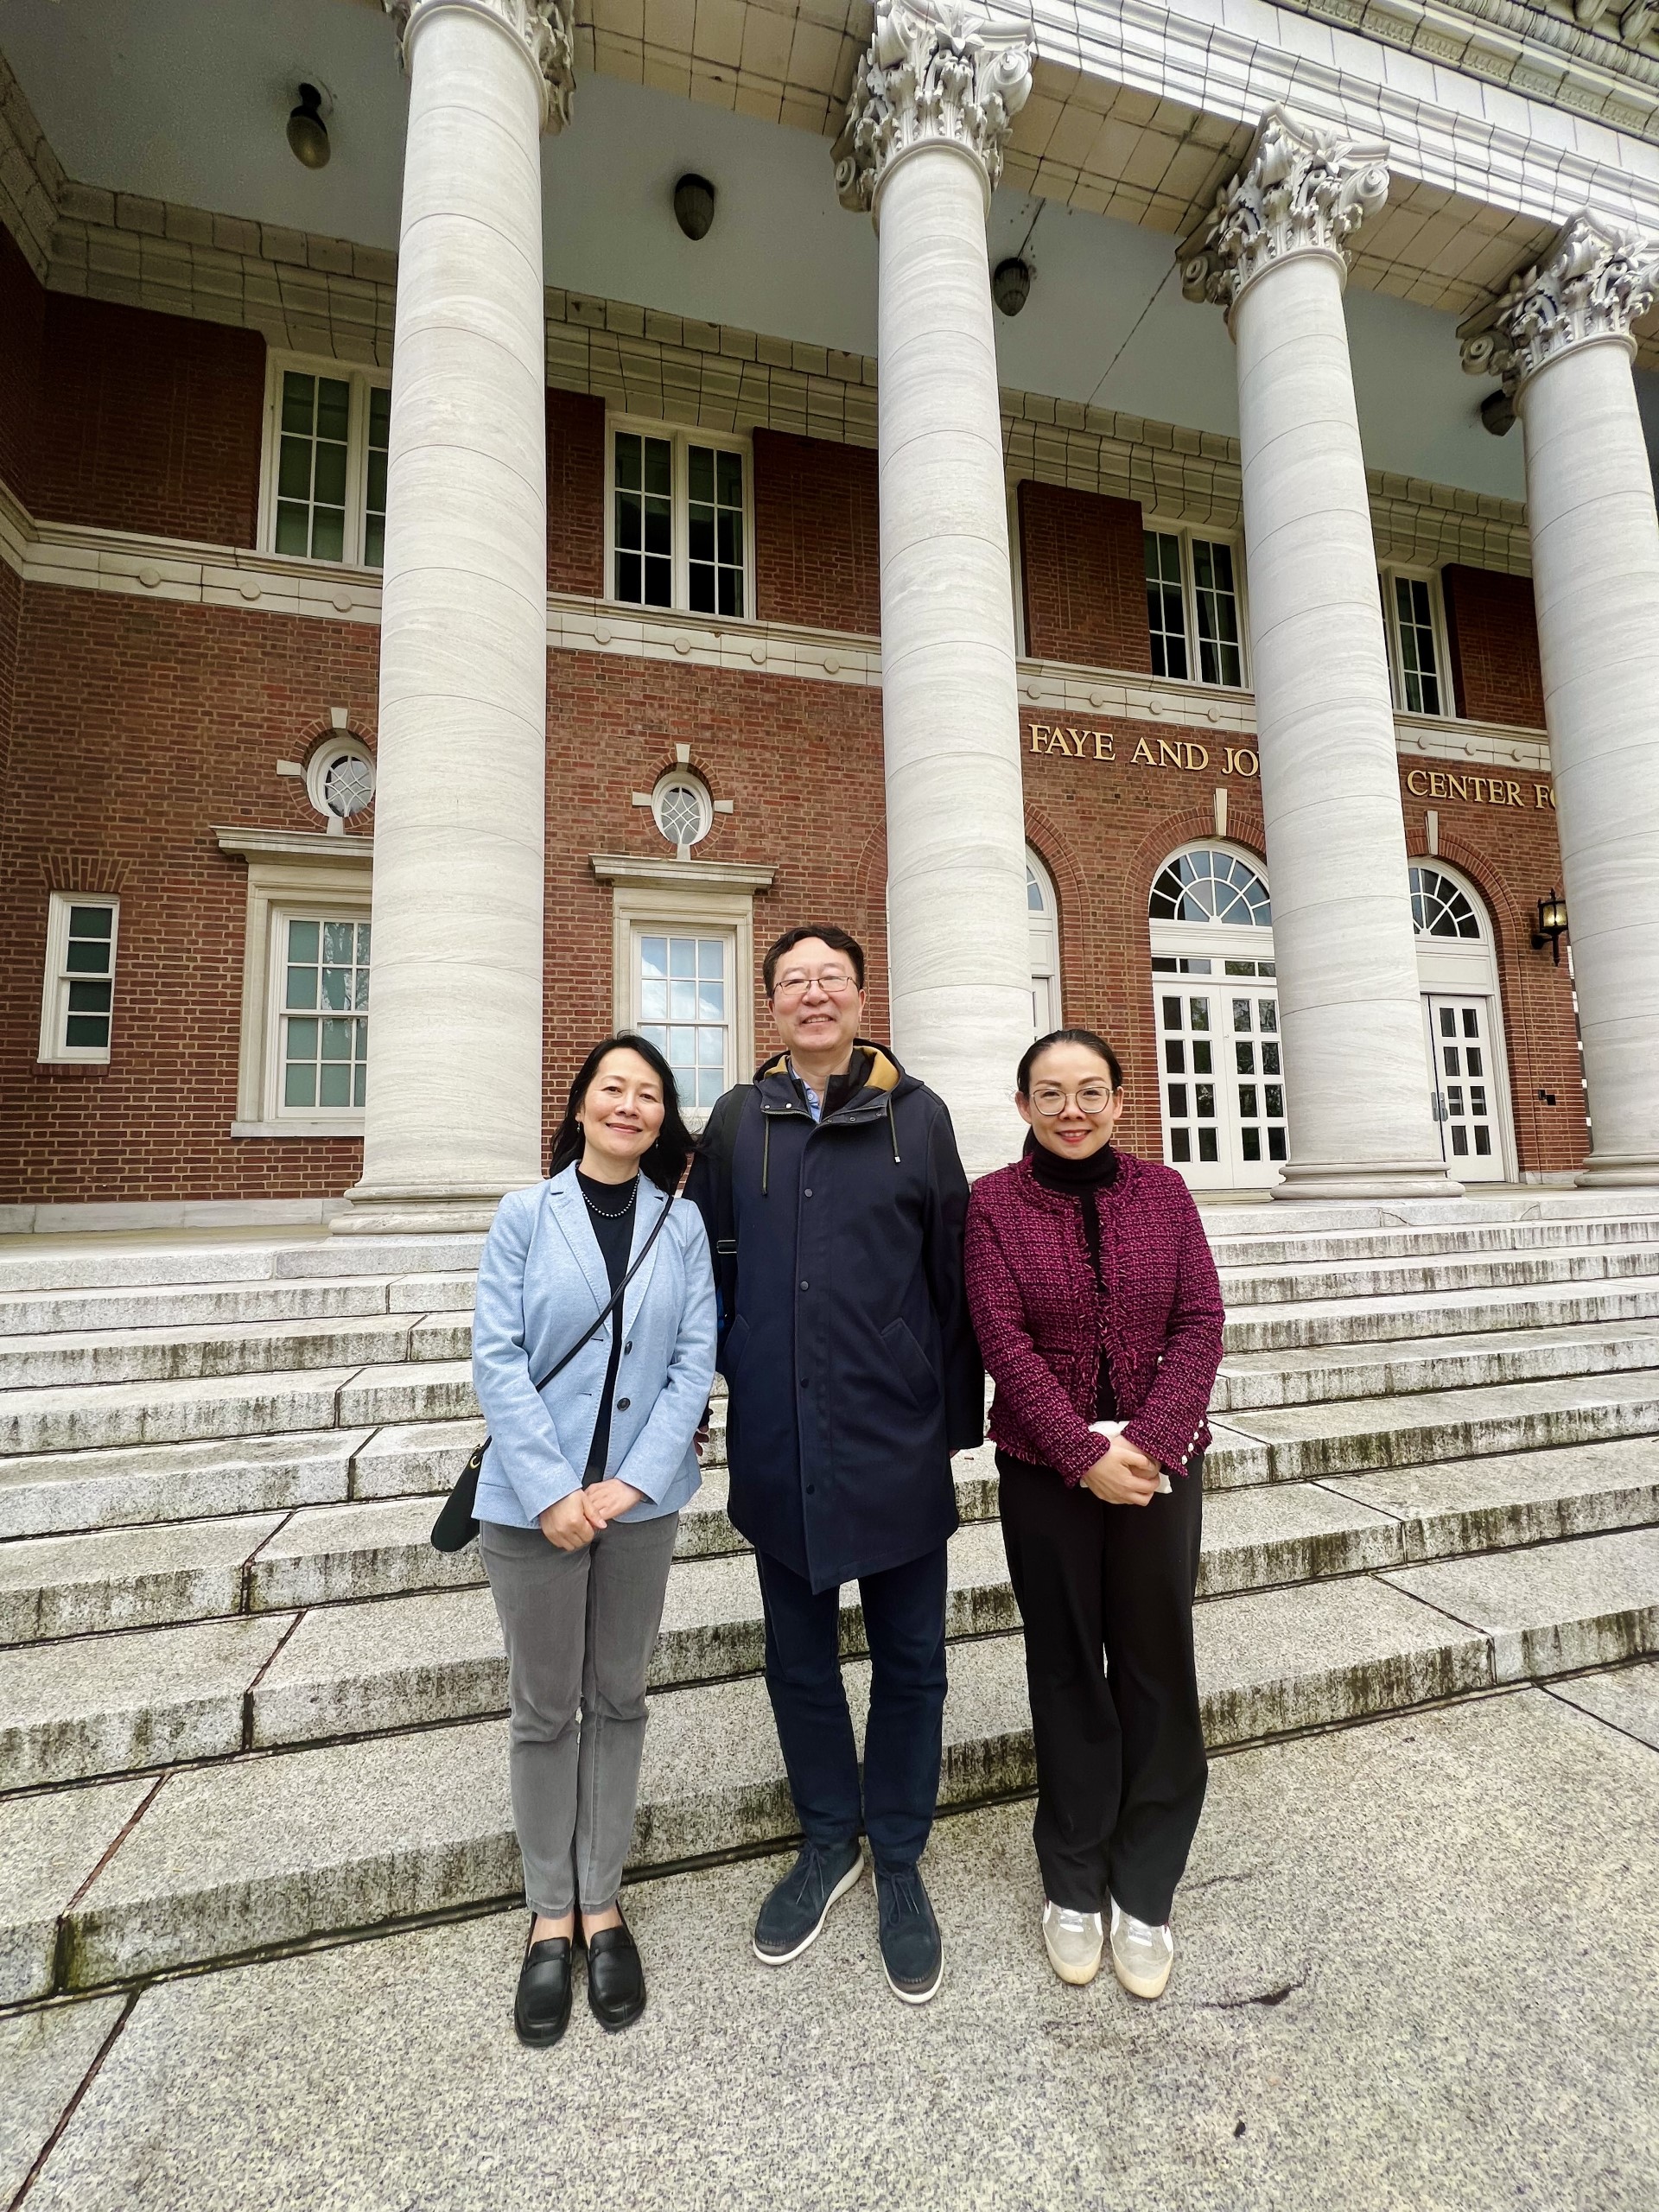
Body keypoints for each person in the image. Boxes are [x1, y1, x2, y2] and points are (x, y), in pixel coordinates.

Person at [686, 927, 982, 2005]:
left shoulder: (919, 1117)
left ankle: (898, 1853)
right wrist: (736, 1371)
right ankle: (828, 1840)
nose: (814, 997)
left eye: (833, 980)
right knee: (798, 1660)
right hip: (778, 1435)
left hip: (894, 1432)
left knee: (913, 1662)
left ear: (862, 998)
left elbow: (952, 1276)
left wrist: (950, 1420)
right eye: (794, 983)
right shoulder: (735, 1121)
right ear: (771, 1008)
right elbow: (704, 1266)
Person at [963, 1027, 1224, 2000]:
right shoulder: (990, 1204)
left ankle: (1146, 1885)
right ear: (1024, 1103)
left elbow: (1201, 1319)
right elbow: (1002, 1336)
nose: (1071, 1109)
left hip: (1163, 1467)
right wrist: (1082, 1454)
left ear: (1120, 1099)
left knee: (1159, 1668)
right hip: (1045, 1471)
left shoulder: (1165, 1194)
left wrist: (1148, 1446)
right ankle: (1073, 1877)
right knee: (1068, 1668)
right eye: (1050, 1092)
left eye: (1090, 1091)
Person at [472, 1033, 715, 2048]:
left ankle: (603, 1900)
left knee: (618, 1698)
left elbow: (696, 1358)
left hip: (640, 1507)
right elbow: (498, 1356)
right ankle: (548, 1913)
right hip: (531, 1509)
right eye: (612, 1089)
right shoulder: (525, 1215)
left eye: (648, 1093)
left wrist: (628, 1483)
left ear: (663, 1117)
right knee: (543, 1709)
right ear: (579, 1107)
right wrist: (553, 1490)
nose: (629, 1105)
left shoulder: (684, 1223)